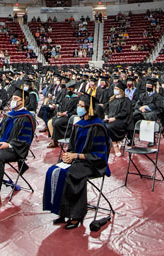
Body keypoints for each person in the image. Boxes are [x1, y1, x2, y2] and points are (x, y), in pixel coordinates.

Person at [43, 93, 110, 230]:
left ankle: (76, 215)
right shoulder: (78, 124)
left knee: (72, 174)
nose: (78, 108)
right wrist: (68, 155)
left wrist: (76, 156)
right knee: (54, 171)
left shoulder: (98, 127)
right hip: (77, 160)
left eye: (81, 106)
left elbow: (99, 155)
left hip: (93, 163)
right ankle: (61, 211)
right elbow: (72, 147)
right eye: (78, 106)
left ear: (89, 108)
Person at [47, 80, 80, 147]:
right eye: (67, 89)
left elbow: (76, 111)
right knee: (50, 122)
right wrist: (60, 112)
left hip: (70, 117)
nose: (68, 90)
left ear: (73, 89)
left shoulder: (77, 98)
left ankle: (56, 140)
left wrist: (65, 114)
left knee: (57, 123)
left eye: (69, 89)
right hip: (63, 116)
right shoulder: (66, 97)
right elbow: (62, 106)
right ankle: (54, 140)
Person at [103, 82, 132, 153]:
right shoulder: (112, 99)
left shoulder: (126, 100)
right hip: (110, 119)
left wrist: (115, 118)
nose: (114, 90)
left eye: (116, 89)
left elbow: (124, 112)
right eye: (114, 88)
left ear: (121, 90)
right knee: (100, 124)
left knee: (109, 127)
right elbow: (107, 108)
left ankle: (114, 144)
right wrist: (106, 115)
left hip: (121, 120)